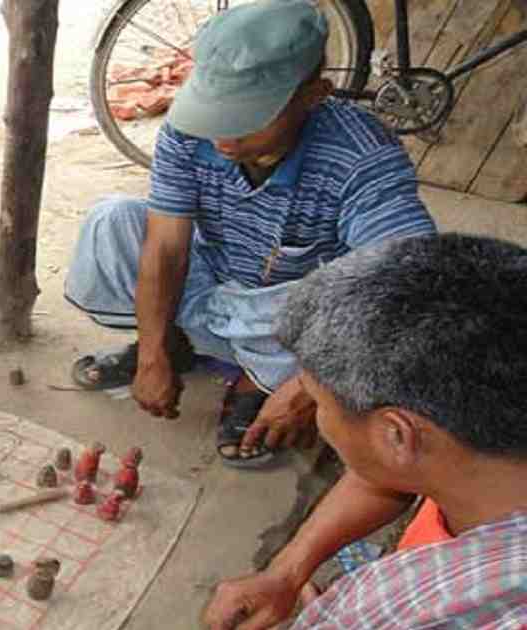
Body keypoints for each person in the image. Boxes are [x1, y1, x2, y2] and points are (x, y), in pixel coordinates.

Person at [64, 0, 436, 467]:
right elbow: (165, 247)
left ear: (314, 95)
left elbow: (410, 288)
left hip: (289, 308)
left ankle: (259, 381)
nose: (222, 134)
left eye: (249, 115)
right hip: (215, 273)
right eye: (214, 108)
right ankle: (177, 346)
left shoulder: (364, 158)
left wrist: (309, 387)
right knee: (113, 223)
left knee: (359, 325)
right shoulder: (190, 129)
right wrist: (152, 352)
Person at [202, 233, 527, 629]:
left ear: (396, 436)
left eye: (319, 404)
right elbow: (392, 472)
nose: (315, 418)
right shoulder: (480, 450)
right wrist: (286, 573)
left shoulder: (398, 615)